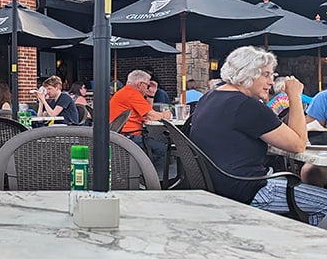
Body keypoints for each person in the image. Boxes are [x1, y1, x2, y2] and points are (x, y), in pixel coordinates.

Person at [189, 46, 327, 224]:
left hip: (218, 185)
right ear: (247, 74)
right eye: (266, 74)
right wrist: (294, 96)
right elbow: (299, 145)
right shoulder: (246, 106)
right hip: (251, 189)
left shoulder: (209, 97)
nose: (271, 81)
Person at [109, 69, 172, 164]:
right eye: (147, 85)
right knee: (164, 149)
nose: (147, 88)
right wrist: (166, 114)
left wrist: (150, 95)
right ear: (139, 85)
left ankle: (138, 167)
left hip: (121, 135)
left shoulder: (126, 92)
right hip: (128, 136)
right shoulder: (132, 94)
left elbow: (147, 113)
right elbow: (153, 116)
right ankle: (141, 169)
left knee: (157, 146)